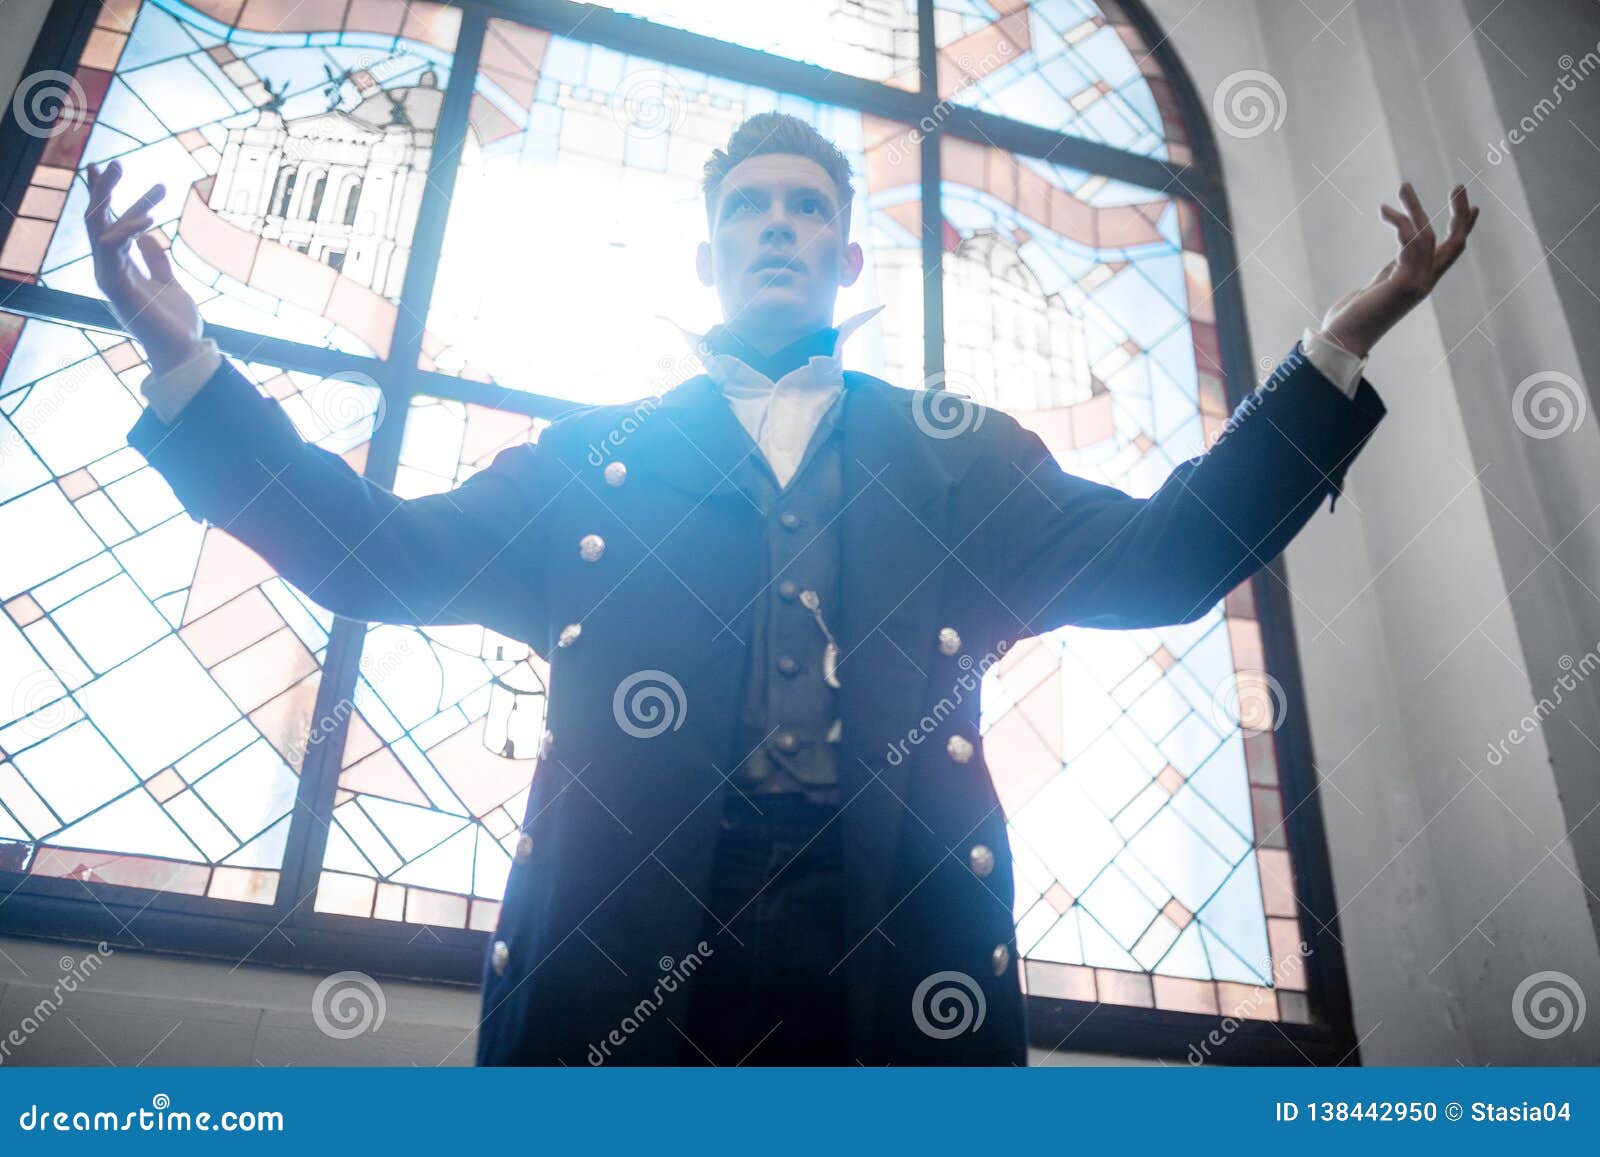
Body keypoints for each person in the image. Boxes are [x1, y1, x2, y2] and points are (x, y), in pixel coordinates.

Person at [87, 112, 1478, 1065]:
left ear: (846, 257)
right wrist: (191, 369)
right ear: (707, 254)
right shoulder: (597, 463)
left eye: (806, 208)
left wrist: (1338, 349)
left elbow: (1174, 556)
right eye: (748, 208)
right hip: (625, 933)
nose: (775, 226)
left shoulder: (961, 459)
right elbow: (373, 553)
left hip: (891, 919)